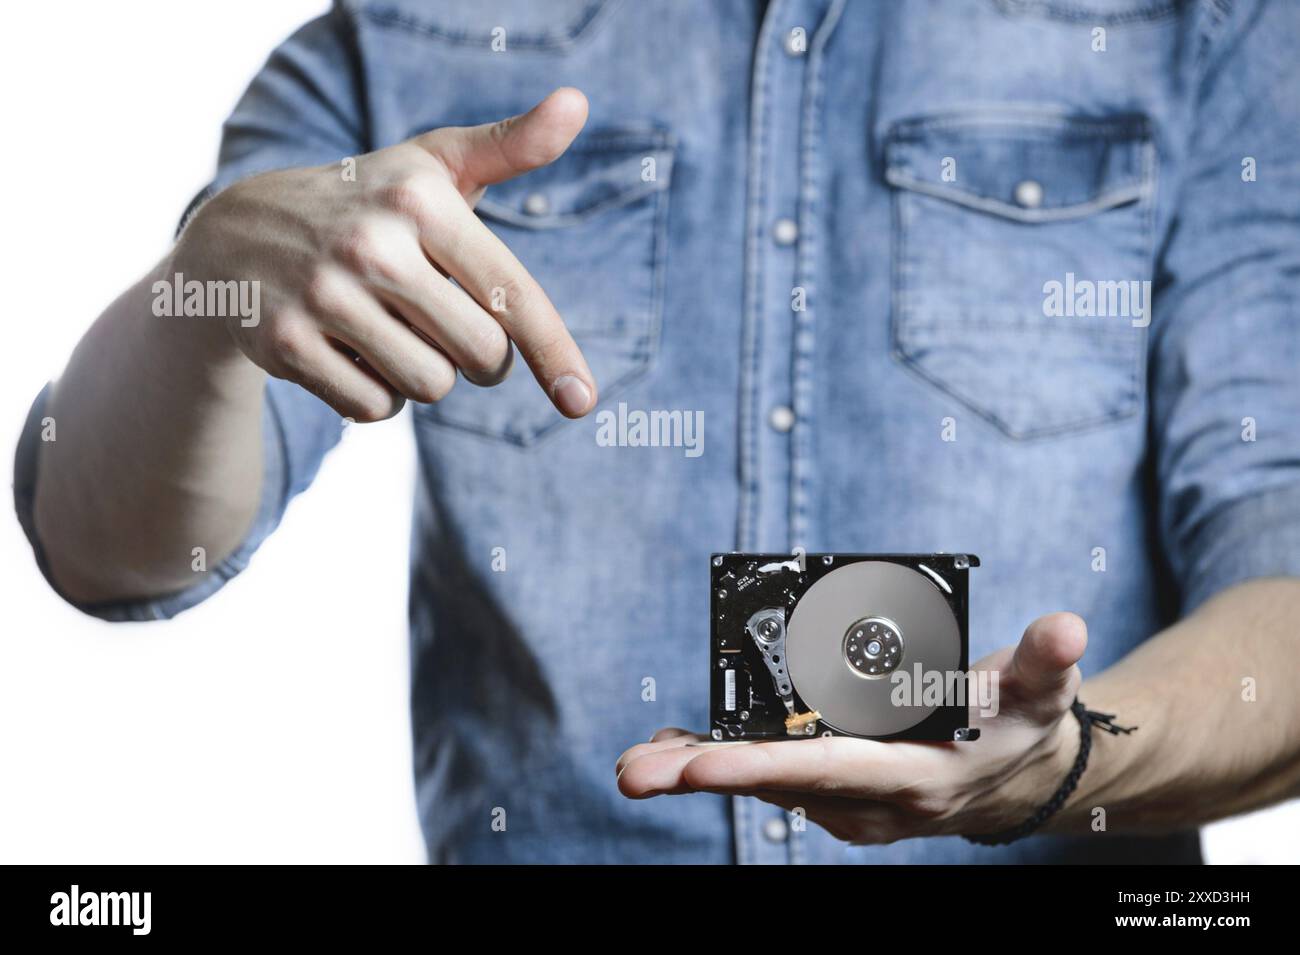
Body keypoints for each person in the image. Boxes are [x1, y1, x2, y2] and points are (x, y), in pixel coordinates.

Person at [14, 0, 1300, 864]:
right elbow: (101, 546)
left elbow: (1283, 574)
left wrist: (1068, 757)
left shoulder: (1196, 27)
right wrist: (205, 298)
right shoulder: (404, 34)